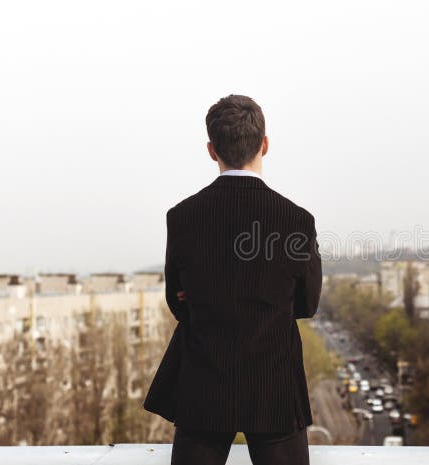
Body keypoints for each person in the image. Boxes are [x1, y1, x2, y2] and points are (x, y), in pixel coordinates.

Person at [143, 94, 322, 465]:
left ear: (211, 150)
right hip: (274, 387)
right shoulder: (296, 221)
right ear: (265, 145)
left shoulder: (182, 218)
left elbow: (178, 303)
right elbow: (307, 305)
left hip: (203, 387)